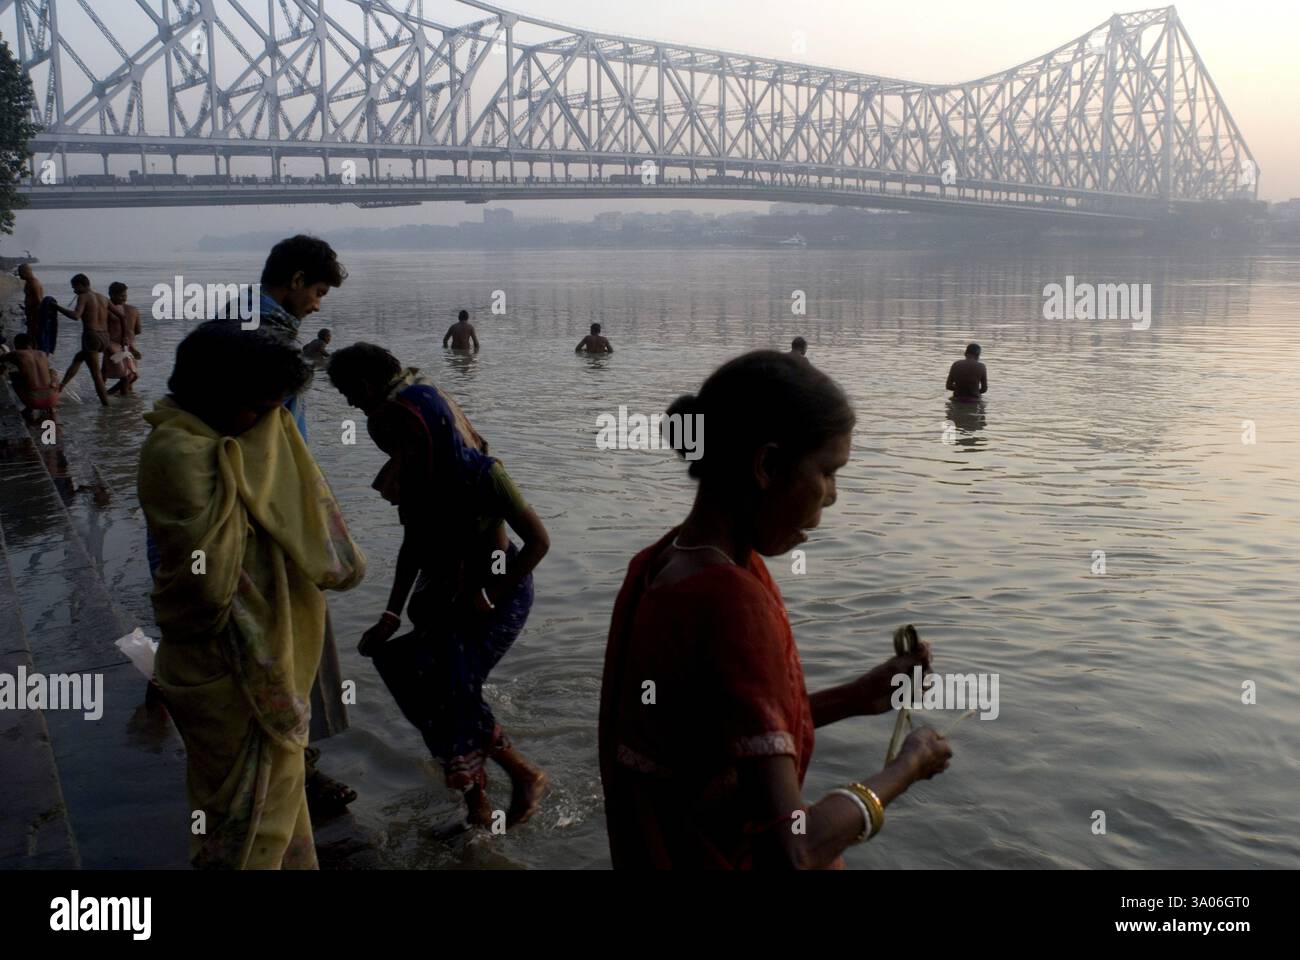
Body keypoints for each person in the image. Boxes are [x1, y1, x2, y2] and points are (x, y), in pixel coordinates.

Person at [598, 350, 953, 869]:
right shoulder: (729, 601)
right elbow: (795, 848)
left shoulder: (662, 564)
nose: (831, 497)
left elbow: (722, 737)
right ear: (765, 466)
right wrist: (908, 767)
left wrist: (857, 696)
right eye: (828, 472)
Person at [137, 322, 365, 869]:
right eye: (262, 407)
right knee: (242, 818)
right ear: (217, 397)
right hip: (223, 666)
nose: (272, 421)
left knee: (277, 804)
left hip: (259, 664)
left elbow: (325, 557)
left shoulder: (226, 440)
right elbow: (209, 585)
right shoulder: (177, 451)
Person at [327, 343, 551, 828]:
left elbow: (537, 543)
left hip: (495, 593)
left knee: (454, 688)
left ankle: (520, 775)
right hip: (443, 592)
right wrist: (390, 614)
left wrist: (490, 592)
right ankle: (477, 799)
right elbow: (413, 545)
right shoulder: (420, 477)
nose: (394, 449)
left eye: (398, 439)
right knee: (403, 668)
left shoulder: (483, 475)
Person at [55, 274, 111, 405]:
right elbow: (120, 315)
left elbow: (76, 316)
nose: (74, 290)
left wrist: (57, 307)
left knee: (96, 375)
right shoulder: (103, 298)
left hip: (91, 336)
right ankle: (61, 386)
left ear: (81, 285)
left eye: (75, 287)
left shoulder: (83, 296)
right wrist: (124, 336)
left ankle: (106, 407)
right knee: (79, 357)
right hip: (105, 336)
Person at [1, 333, 60, 420]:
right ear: (31, 344)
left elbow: (2, 358)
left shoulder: (16, 353)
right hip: (53, 399)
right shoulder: (42, 353)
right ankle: (51, 411)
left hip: (33, 401)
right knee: (51, 372)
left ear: (16, 344)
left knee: (14, 374)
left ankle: (28, 410)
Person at [102, 282, 139, 396]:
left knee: (126, 375)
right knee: (127, 375)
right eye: (121, 295)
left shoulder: (107, 310)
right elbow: (137, 331)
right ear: (111, 295)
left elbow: (136, 330)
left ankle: (106, 394)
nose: (124, 298)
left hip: (122, 347)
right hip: (117, 347)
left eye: (125, 295)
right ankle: (109, 395)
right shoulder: (131, 310)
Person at [18, 264, 43, 342]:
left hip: (34, 317)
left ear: (25, 272)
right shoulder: (28, 282)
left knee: (34, 338)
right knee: (30, 337)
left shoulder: (34, 283)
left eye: (20, 272)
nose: (19, 275)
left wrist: (34, 319)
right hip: (30, 315)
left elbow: (39, 302)